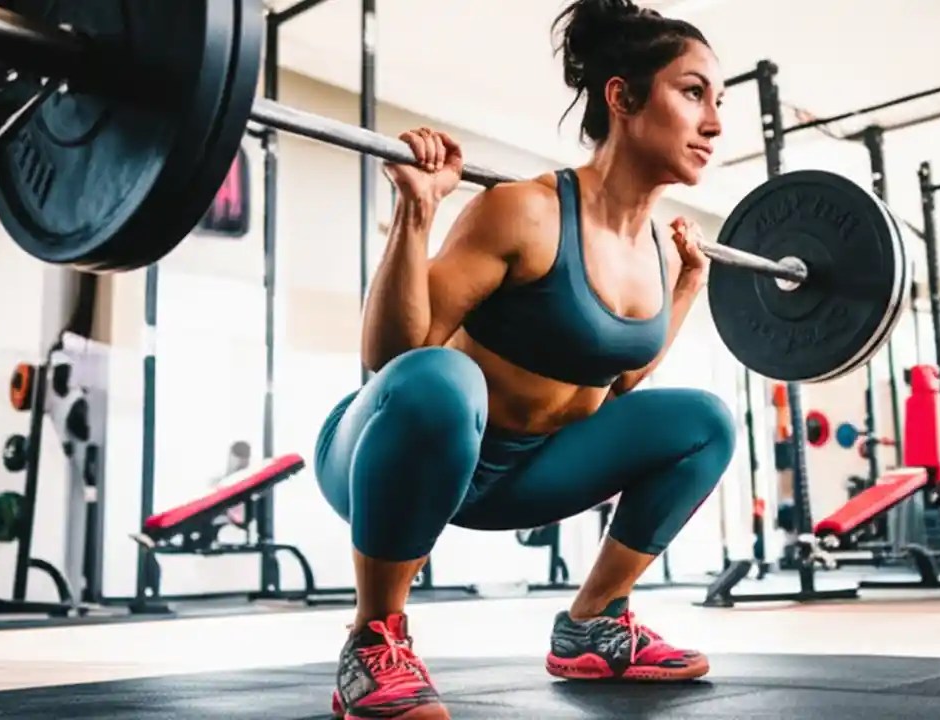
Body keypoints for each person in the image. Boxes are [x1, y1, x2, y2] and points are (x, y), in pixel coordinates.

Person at [314, 1, 733, 717]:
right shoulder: (526, 211)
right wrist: (418, 213)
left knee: (705, 421)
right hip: (396, 450)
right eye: (693, 92)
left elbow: (622, 379)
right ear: (623, 97)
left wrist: (688, 286)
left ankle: (592, 624)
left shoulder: (658, 250)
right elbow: (391, 361)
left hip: (525, 475)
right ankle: (373, 639)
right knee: (445, 376)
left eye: (718, 101)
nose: (716, 122)